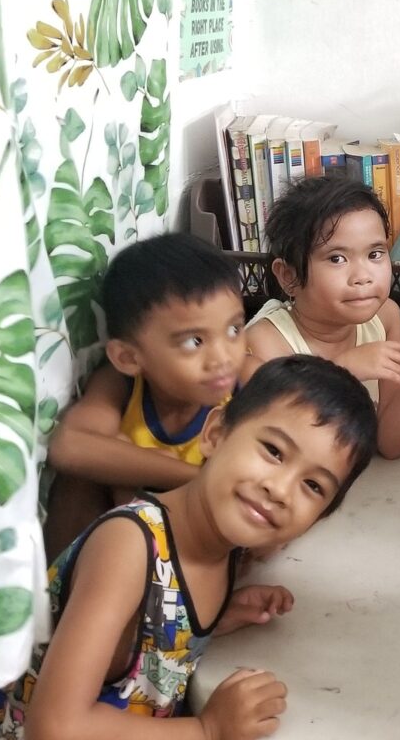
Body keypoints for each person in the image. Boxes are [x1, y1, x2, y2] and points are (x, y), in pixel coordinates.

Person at [0, 355, 379, 739]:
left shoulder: (226, 543)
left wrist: (220, 617)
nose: (279, 490)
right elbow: (53, 727)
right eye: (273, 451)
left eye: (313, 486)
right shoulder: (130, 547)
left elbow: (149, 638)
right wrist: (207, 728)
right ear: (215, 434)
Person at [43, 235, 247, 560]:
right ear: (128, 358)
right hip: (123, 549)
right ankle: (61, 594)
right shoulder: (121, 384)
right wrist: (197, 477)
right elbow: (69, 448)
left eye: (234, 329)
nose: (223, 358)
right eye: (195, 341)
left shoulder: (244, 387)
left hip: (197, 545)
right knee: (83, 475)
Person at [243, 176, 400, 459]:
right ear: (289, 276)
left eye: (375, 254)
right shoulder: (266, 343)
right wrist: (343, 371)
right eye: (337, 259)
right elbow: (274, 453)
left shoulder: (385, 317)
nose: (363, 277)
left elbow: (391, 444)